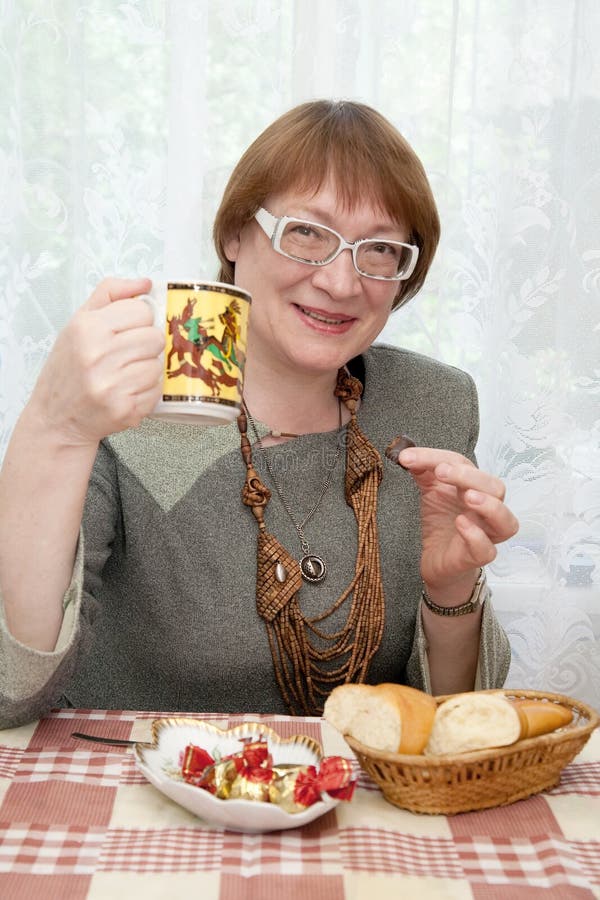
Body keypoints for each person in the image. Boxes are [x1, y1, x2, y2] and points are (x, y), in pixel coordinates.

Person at [0, 100, 518, 728]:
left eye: (379, 249)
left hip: (351, 788)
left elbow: (454, 726)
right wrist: (54, 426)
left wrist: (451, 590)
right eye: (306, 232)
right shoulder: (145, 403)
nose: (341, 282)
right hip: (147, 780)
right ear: (234, 233)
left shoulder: (429, 403)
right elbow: (11, 692)